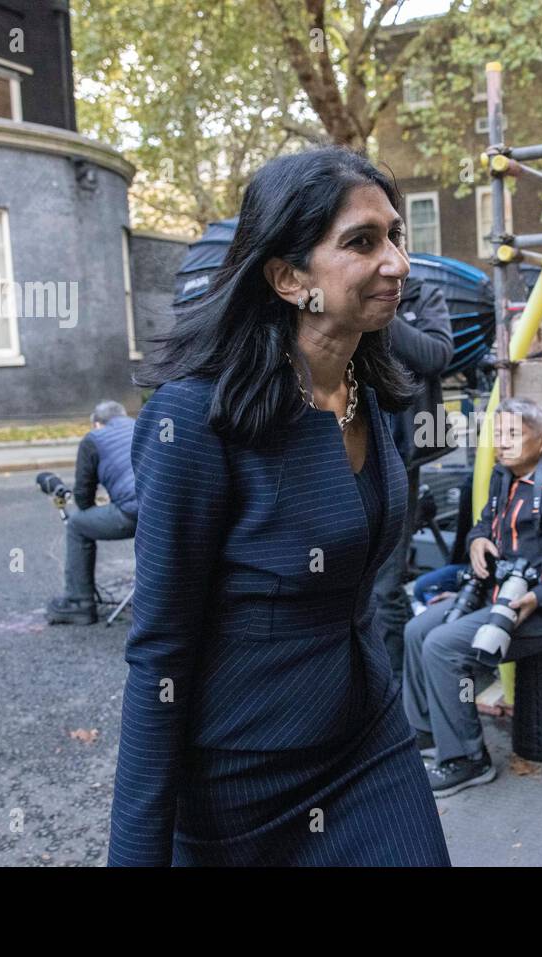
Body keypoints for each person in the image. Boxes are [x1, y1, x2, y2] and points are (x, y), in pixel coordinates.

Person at [107, 147, 450, 867]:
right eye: (363, 242)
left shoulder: (375, 392)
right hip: (244, 774)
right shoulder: (195, 420)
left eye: (396, 236)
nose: (396, 262)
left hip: (370, 741)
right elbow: (160, 650)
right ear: (290, 277)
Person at [402, 398, 542, 797]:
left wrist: (539, 594)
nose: (503, 443)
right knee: (417, 630)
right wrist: (478, 540)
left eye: (514, 434)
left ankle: (467, 760)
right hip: (495, 596)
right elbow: (484, 524)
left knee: (442, 646)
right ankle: (426, 736)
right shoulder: (503, 476)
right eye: (498, 434)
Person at [371, 276, 454, 679]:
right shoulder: (332, 292)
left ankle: (399, 698)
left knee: (385, 584)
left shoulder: (423, 293)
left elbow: (436, 356)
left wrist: (383, 311)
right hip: (346, 446)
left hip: (403, 452)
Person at [45, 400, 138, 626]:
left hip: (134, 512)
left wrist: (96, 503)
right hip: (172, 509)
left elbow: (83, 495)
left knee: (77, 525)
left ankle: (79, 603)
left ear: (97, 424)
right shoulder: (144, 425)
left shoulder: (94, 439)